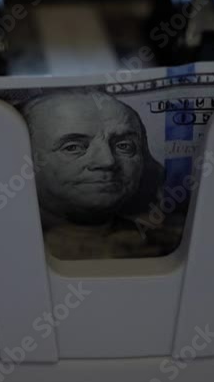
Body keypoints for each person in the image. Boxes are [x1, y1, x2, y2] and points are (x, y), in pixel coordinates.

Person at [18, 91, 176, 260]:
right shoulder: (0, 249)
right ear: (25, 158)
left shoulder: (164, 247)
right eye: (73, 147)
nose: (107, 161)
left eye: (124, 146)